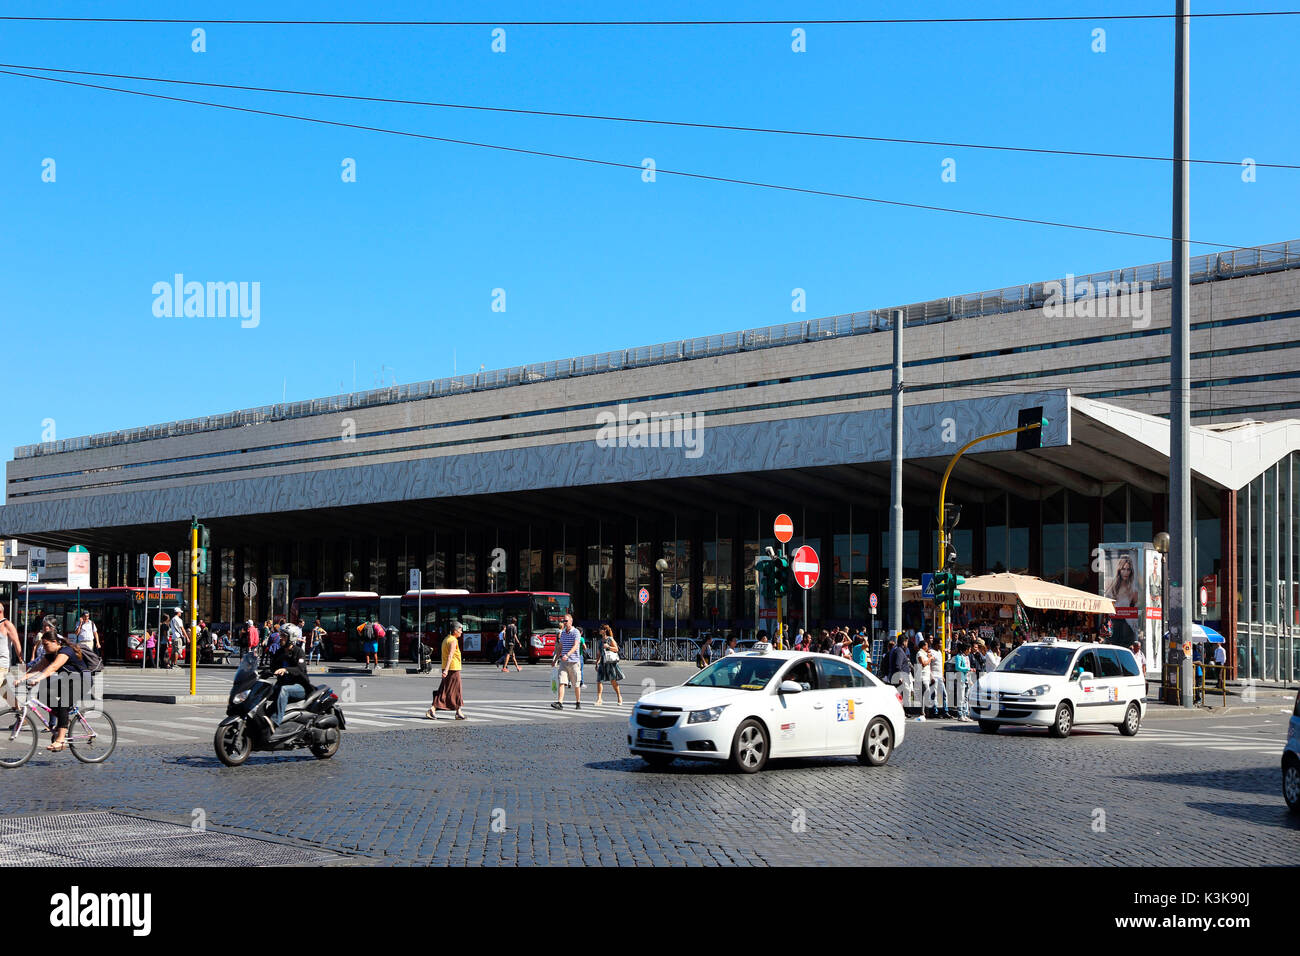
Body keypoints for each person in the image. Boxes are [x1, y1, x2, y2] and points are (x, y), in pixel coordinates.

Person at [23, 633, 89, 752]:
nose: (44, 647)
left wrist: (38, 679)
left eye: (46, 644)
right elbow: (38, 667)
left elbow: (53, 667)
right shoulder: (50, 654)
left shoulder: (66, 651)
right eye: (42, 644)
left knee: (64, 702)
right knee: (42, 692)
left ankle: (60, 740)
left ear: (55, 642)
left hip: (83, 680)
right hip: (67, 680)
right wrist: (22, 678)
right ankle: (63, 718)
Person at [426, 621, 466, 720]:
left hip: (449, 668)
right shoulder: (453, 641)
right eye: (460, 630)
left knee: (452, 690)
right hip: (453, 668)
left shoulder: (446, 639)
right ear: (455, 630)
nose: (461, 632)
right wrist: (446, 670)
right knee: (448, 690)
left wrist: (445, 669)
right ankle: (433, 709)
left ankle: (458, 711)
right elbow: (450, 656)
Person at [551, 613, 583, 710]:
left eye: (566, 621)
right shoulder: (563, 633)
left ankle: (578, 702)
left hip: (574, 662)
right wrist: (555, 659)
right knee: (562, 681)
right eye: (563, 621)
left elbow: (576, 645)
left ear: (571, 621)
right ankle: (560, 703)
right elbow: (560, 647)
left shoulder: (576, 632)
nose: (564, 622)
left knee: (576, 684)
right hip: (564, 662)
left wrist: (567, 654)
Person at [594, 625, 625, 705]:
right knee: (599, 681)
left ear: (604, 630)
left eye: (600, 629)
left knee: (613, 681)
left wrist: (608, 646)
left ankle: (619, 697)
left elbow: (616, 649)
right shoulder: (600, 641)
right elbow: (599, 653)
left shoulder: (610, 639)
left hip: (610, 663)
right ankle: (599, 699)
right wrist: (597, 662)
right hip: (602, 663)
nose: (599, 630)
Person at [0, 602, 22, 710]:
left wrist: (21, 660)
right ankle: (19, 712)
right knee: (4, 691)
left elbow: (16, 642)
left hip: (2, 664)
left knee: (3, 690)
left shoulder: (7, 624)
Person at [953, 644, 972, 721]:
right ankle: (960, 715)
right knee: (960, 697)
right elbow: (957, 667)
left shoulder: (967, 657)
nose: (970, 651)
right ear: (966, 649)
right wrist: (967, 669)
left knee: (965, 698)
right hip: (961, 678)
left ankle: (965, 714)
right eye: (969, 649)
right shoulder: (959, 656)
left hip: (967, 679)